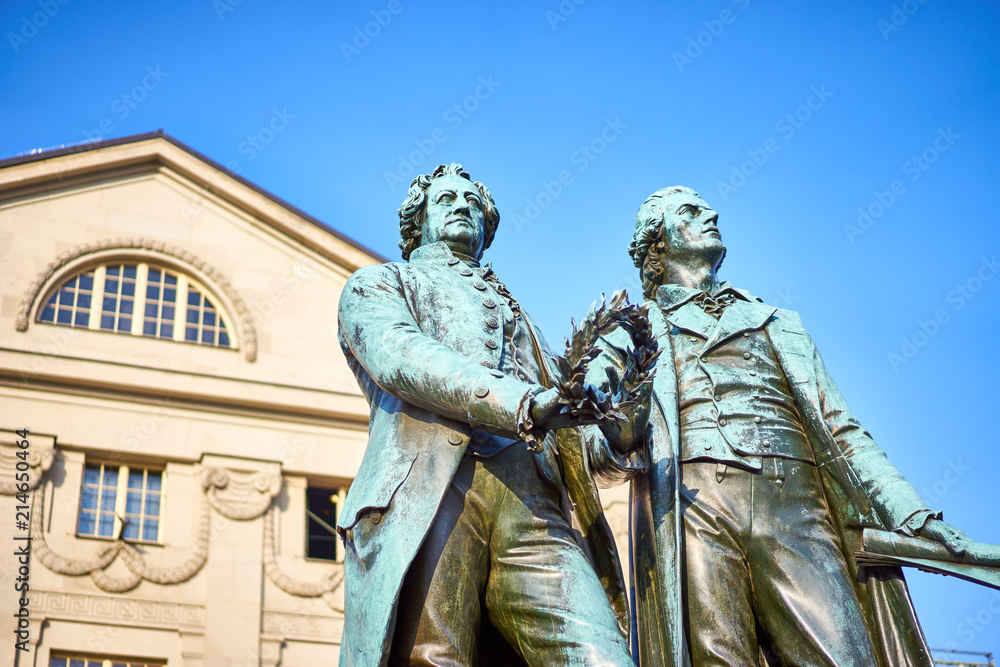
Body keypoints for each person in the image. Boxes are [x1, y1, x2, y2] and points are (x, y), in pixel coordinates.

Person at [591, 185, 972, 666]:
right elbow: (600, 427)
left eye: (708, 208)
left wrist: (911, 514)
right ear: (657, 242)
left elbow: (843, 429)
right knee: (718, 657)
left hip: (793, 499)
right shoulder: (633, 324)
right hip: (692, 502)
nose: (710, 213)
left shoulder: (776, 321)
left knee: (841, 653)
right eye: (690, 211)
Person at [336, 163, 639, 666]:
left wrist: (623, 422)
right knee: (433, 657)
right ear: (418, 222)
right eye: (446, 199)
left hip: (534, 502)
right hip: (432, 491)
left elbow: (581, 442)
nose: (461, 206)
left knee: (601, 655)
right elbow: (400, 356)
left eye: (472, 201)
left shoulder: (525, 321)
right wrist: (522, 403)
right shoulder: (380, 283)